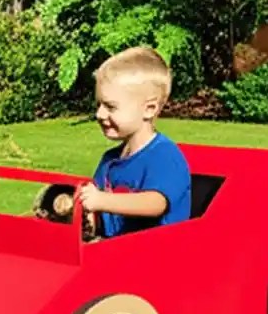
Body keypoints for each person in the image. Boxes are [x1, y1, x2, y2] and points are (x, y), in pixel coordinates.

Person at [78, 46, 192, 238]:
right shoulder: (110, 160)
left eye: (110, 106)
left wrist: (101, 200)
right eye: (98, 104)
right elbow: (98, 213)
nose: (99, 114)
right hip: (114, 253)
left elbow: (156, 203)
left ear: (149, 109)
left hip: (159, 257)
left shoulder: (164, 156)